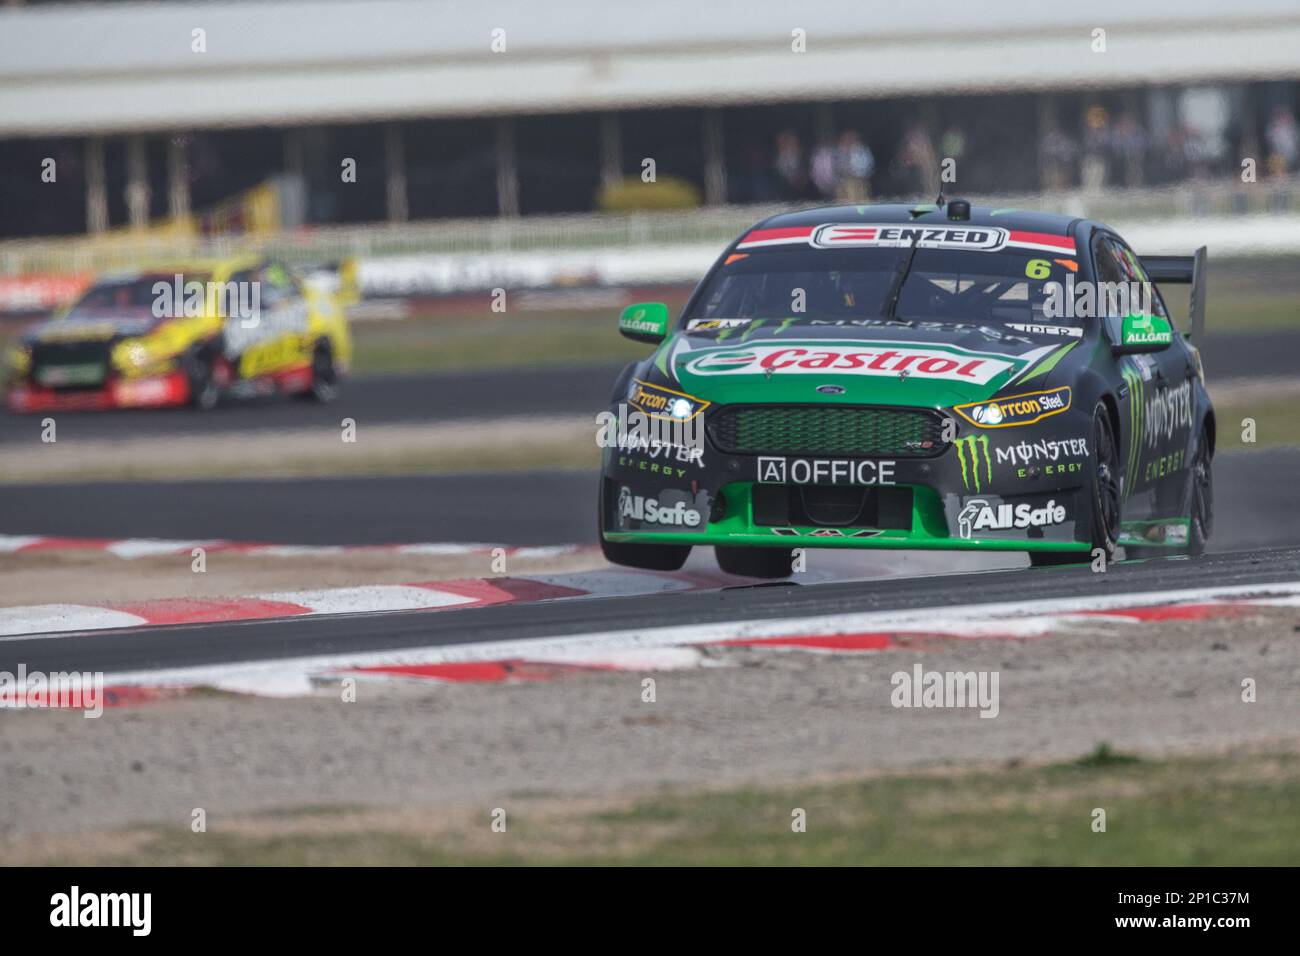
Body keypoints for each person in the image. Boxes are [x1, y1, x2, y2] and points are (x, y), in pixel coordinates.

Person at [833, 130, 874, 202]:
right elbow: (835, 167)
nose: (849, 140)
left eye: (852, 138)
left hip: (860, 182)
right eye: (846, 138)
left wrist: (858, 175)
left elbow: (868, 165)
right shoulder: (838, 151)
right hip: (843, 183)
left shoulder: (862, 151)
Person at [772, 129, 808, 200]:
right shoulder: (778, 160)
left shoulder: (803, 158)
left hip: (801, 194)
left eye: (792, 142)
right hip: (783, 194)